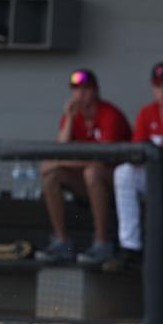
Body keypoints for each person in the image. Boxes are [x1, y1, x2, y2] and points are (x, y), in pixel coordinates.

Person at [38, 68, 131, 266]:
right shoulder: (73, 115)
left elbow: (100, 159)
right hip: (86, 181)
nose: (80, 93)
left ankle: (102, 242)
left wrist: (59, 161)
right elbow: (60, 150)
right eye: (76, 89)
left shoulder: (110, 114)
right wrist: (70, 118)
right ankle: (61, 240)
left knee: (92, 172)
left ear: (95, 90)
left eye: (86, 88)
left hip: (120, 184)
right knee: (51, 177)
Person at [108, 61, 163, 272]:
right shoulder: (147, 113)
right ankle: (130, 246)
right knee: (123, 172)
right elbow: (138, 153)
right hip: (156, 179)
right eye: (158, 86)